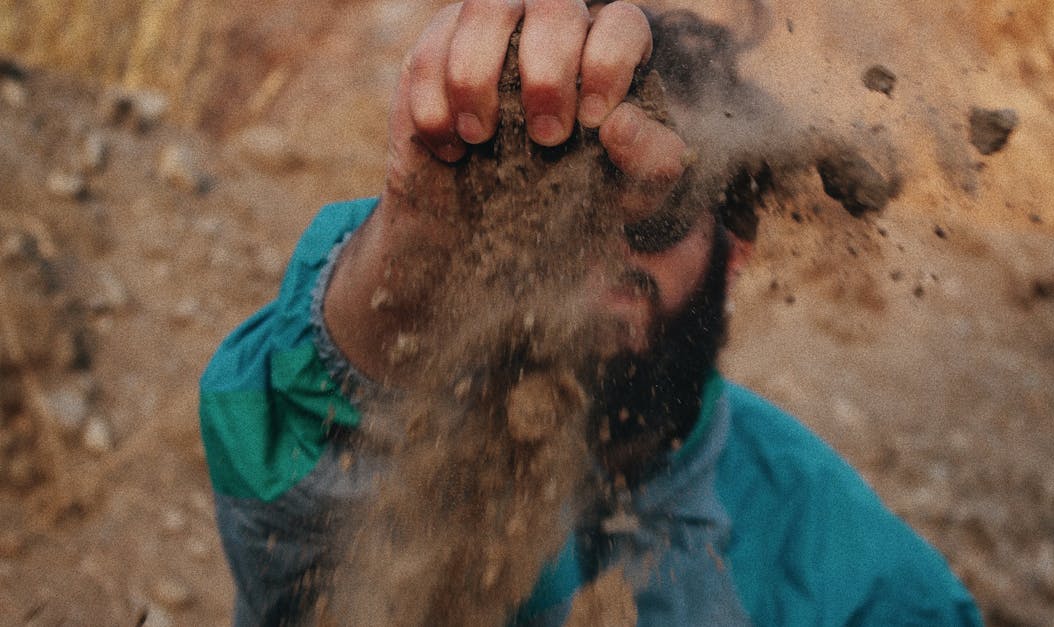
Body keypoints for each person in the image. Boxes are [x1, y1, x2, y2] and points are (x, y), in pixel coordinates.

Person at [200, 1, 983, 624]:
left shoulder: (845, 573)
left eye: (657, 208)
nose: (604, 251)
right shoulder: (406, 451)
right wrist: (411, 264)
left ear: (734, 244)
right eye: (568, 199)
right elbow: (307, 462)